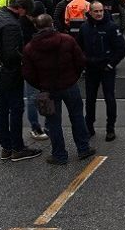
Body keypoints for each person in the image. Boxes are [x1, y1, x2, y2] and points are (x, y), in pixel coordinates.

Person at [22, 13, 94, 165]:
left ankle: (59, 155)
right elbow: (80, 61)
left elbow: (28, 74)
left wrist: (41, 85)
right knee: (77, 116)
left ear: (36, 27)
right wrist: (74, 77)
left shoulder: (30, 48)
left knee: (53, 122)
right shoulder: (67, 40)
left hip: (48, 89)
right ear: (52, 24)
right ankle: (83, 148)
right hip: (69, 84)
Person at [0, 0, 41, 162]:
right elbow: (11, 54)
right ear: (21, 9)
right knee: (16, 108)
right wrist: (26, 59)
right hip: (9, 72)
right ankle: (17, 148)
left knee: (2, 108)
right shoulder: (12, 24)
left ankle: (6, 147)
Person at [79, 0, 125, 142]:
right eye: (96, 11)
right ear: (90, 12)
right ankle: (89, 126)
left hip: (107, 69)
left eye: (101, 11)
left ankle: (110, 128)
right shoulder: (84, 27)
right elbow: (79, 47)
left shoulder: (111, 27)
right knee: (90, 99)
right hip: (91, 69)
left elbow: (122, 49)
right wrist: (84, 62)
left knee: (109, 98)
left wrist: (111, 64)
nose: (99, 13)